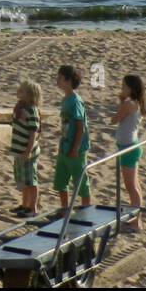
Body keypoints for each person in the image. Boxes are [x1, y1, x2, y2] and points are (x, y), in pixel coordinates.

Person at [54, 65, 91, 211]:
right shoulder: (66, 99)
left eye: (60, 77)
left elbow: (80, 127)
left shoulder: (75, 101)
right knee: (61, 181)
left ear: (68, 80)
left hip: (76, 149)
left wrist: (75, 148)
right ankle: (65, 210)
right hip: (65, 146)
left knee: (80, 182)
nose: (57, 80)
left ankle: (86, 210)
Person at [113, 74, 144, 231]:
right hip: (131, 145)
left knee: (131, 186)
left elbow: (115, 119)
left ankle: (136, 222)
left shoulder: (129, 103)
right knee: (135, 185)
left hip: (128, 148)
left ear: (130, 88)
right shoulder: (135, 102)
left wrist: (121, 103)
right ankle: (136, 219)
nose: (121, 89)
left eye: (124, 86)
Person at [8, 81, 42, 218]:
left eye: (22, 91)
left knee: (30, 180)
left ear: (29, 95)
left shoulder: (32, 110)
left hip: (28, 152)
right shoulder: (20, 107)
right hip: (18, 150)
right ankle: (24, 205)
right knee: (22, 179)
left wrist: (28, 151)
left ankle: (33, 208)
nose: (18, 93)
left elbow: (34, 132)